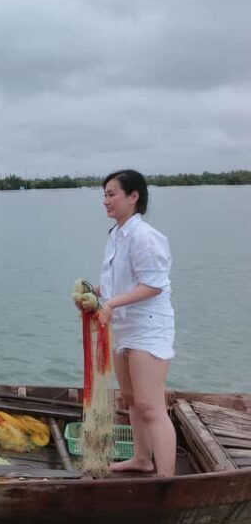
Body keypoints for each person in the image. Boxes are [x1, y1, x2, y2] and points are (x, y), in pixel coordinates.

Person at [82, 169, 176, 476]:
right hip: (123, 325)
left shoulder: (144, 236)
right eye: (104, 196)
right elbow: (117, 283)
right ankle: (141, 459)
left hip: (148, 326)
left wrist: (110, 303)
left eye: (112, 194)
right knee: (132, 400)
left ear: (134, 196)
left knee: (151, 406)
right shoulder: (116, 235)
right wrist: (93, 293)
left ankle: (166, 479)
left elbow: (153, 285)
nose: (106, 201)